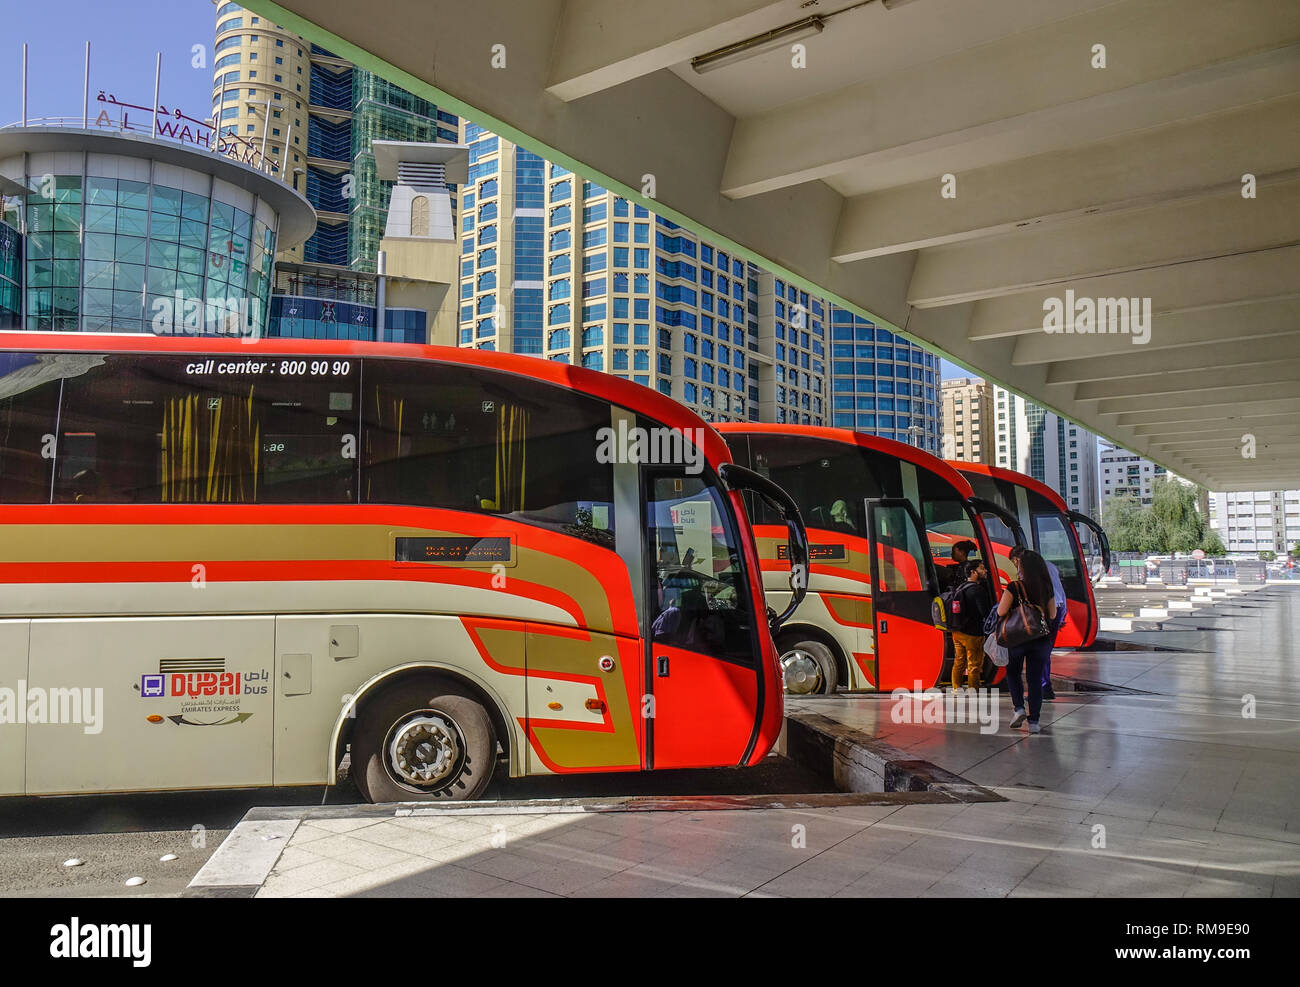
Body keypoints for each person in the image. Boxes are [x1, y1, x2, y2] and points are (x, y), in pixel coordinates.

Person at [998, 549, 1058, 734]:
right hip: (1040, 639)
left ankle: (1019, 708)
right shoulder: (1046, 587)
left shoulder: (1014, 587)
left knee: (1013, 673)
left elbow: (1001, 612)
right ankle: (1034, 722)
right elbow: (1053, 614)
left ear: (1022, 568)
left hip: (1017, 638)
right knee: (1034, 679)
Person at [1010, 544, 1066, 700]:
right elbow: (1060, 590)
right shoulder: (1050, 566)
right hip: (1056, 608)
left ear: (1017, 559)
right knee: (1044, 650)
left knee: (1037, 651)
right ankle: (1045, 687)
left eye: (1015, 563)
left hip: (1040, 612)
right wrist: (1063, 614)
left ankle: (1043, 688)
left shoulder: (1027, 570)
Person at [949, 560, 992, 690]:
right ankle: (973, 690)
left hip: (957, 631)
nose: (985, 571)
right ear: (973, 572)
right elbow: (985, 612)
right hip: (973, 633)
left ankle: (956, 688)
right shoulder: (978, 590)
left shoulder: (960, 588)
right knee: (974, 664)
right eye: (982, 568)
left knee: (959, 661)